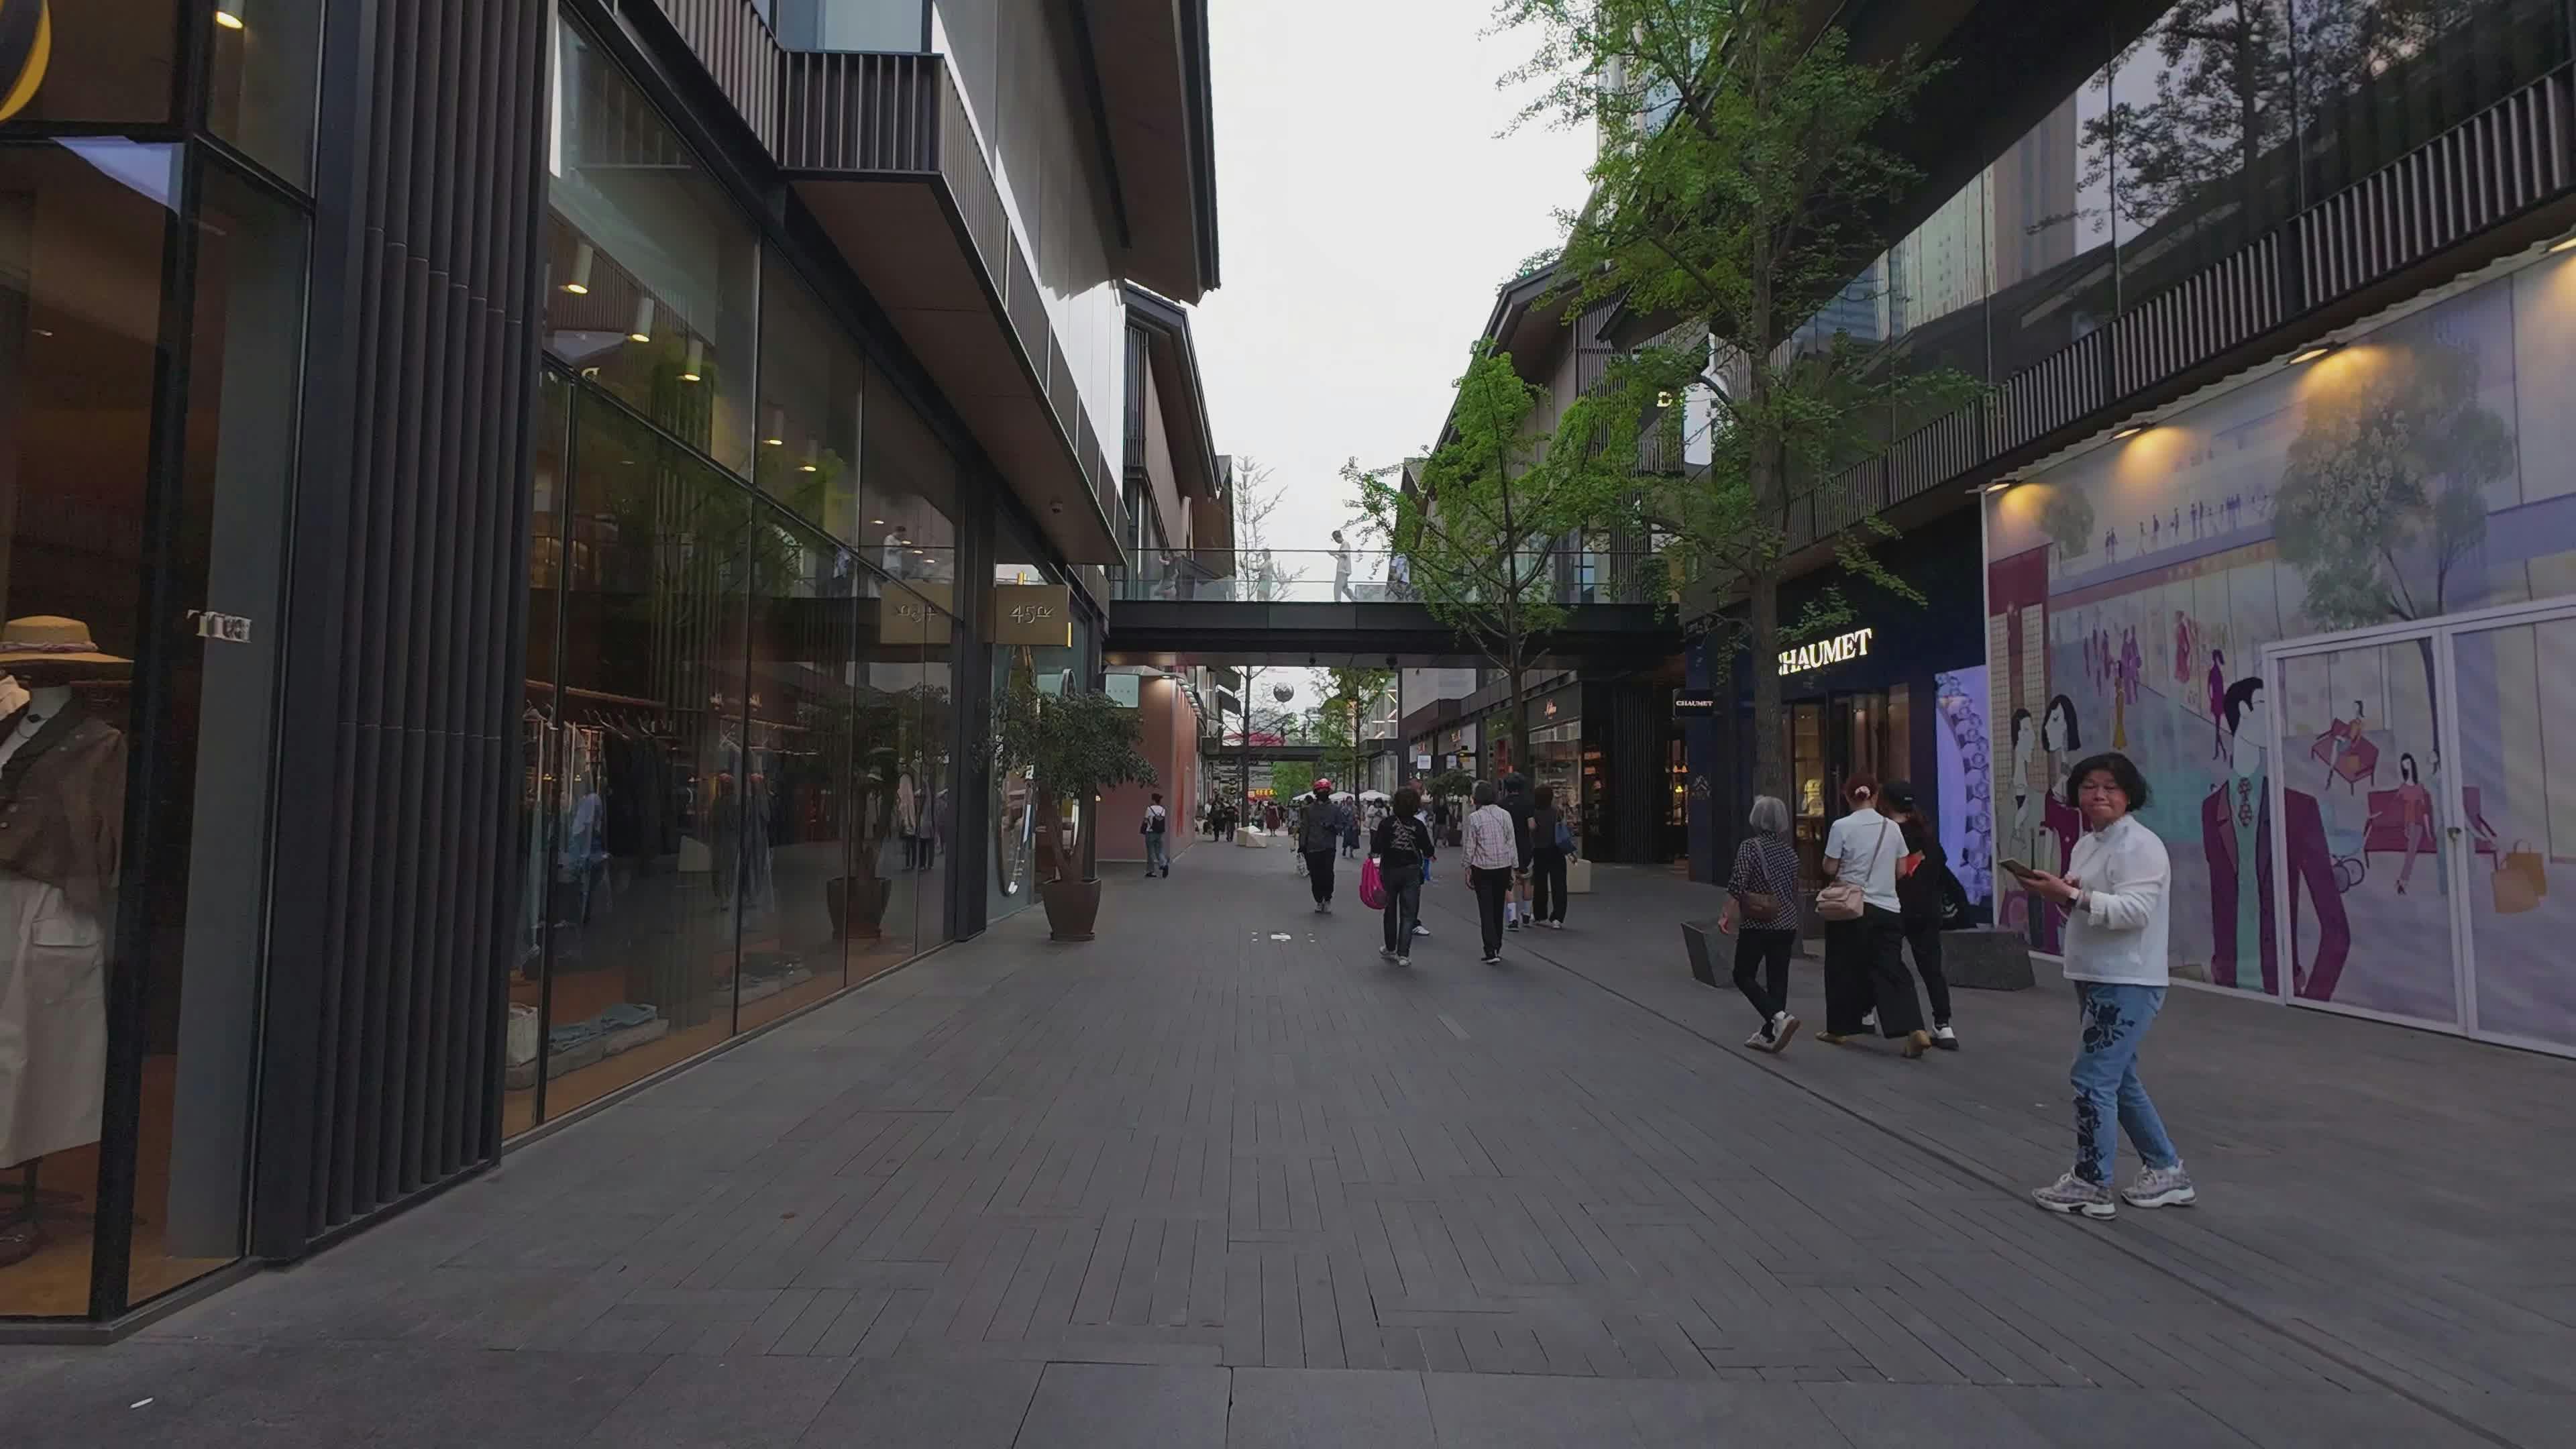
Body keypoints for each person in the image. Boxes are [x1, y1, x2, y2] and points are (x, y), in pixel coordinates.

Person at [2015, 751, 2196, 1219]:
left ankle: (2092, 1181)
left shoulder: (2141, 845)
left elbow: (2136, 912)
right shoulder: (2089, 843)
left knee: (2092, 1077)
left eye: (2110, 787)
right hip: (2094, 974)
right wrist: (2065, 894)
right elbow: (2088, 905)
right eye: (2089, 786)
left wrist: (2073, 895)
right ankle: (2166, 1169)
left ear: (2130, 794)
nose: (2098, 795)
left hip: (2128, 978)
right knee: (2119, 1078)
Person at [1814, 775, 1933, 1057]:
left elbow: (1830, 868)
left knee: (1842, 967)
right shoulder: (1892, 828)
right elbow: (1902, 870)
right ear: (1875, 796)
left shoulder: (1841, 827)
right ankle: (1914, 1028)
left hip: (1852, 909)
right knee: (1891, 967)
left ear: (1848, 797)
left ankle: (1840, 1028)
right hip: (1888, 908)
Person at [1883, 782, 1966, 1049]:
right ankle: (1944, 1026)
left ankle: (1880, 1016)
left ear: (1885, 803)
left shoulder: (1887, 834)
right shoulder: (1927, 835)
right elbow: (1944, 874)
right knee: (1932, 970)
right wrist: (1962, 907)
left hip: (1893, 908)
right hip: (1928, 911)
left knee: (1884, 963)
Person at [1719, 795, 1803, 1051]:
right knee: (1778, 978)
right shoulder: (1790, 853)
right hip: (1787, 922)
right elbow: (1793, 889)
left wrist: (1726, 915)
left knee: (1743, 974)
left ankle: (1778, 1017)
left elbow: (1737, 884)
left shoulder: (1749, 847)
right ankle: (1770, 1034)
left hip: (1758, 922)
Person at [1371, 787, 1434, 964]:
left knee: (1390, 910)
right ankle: (1404, 955)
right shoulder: (1418, 826)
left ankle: (1390, 948)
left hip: (1389, 871)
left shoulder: (1386, 824)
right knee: (1408, 914)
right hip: (1411, 871)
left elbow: (1376, 848)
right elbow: (1428, 849)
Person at [1463, 781, 1517, 964]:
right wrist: (1514, 867)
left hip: (1482, 868)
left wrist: (1467, 867)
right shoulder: (1505, 815)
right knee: (1497, 907)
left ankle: (1490, 949)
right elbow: (1511, 842)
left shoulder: (1474, 818)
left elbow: (1471, 845)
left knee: (1485, 908)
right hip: (1503, 866)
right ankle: (1498, 944)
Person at [1297, 778, 1351, 912]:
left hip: (1328, 846)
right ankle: (1318, 899)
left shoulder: (1335, 809)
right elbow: (1304, 827)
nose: (1323, 792)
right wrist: (1302, 845)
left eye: (1325, 790)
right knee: (1315, 875)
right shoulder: (1308, 810)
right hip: (1312, 846)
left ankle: (1327, 898)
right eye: (1320, 790)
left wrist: (1333, 827)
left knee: (1328, 874)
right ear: (1316, 792)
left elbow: (1342, 826)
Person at [1529, 784, 1570, 929]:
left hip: (1540, 851)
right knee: (1559, 884)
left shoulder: (1534, 812)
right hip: (1556, 850)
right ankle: (1558, 917)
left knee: (1540, 883)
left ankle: (1539, 913)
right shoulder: (1556, 811)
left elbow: (1532, 831)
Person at [1499, 772, 1536, 930]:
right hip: (1524, 846)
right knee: (1527, 879)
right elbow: (1532, 826)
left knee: (1510, 882)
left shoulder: (1502, 805)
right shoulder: (1528, 803)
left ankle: (1512, 918)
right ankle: (1526, 914)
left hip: (1507, 847)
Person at [1140, 792, 1170, 878]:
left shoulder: (1149, 809)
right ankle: (1164, 864)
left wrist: (1143, 828)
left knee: (1150, 853)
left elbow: (1146, 820)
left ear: (1153, 800)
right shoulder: (1163, 810)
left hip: (1150, 833)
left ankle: (1151, 872)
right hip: (1160, 833)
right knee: (1159, 851)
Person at [1332, 529, 1353, 602]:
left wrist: (1335, 553)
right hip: (1344, 569)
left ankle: (1337, 602)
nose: (1336, 541)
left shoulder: (1345, 543)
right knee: (1344, 588)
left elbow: (1345, 555)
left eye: (1335, 539)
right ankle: (1355, 599)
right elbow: (1342, 558)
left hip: (1342, 570)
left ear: (1338, 537)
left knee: (1337, 587)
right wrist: (1334, 555)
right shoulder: (1344, 544)